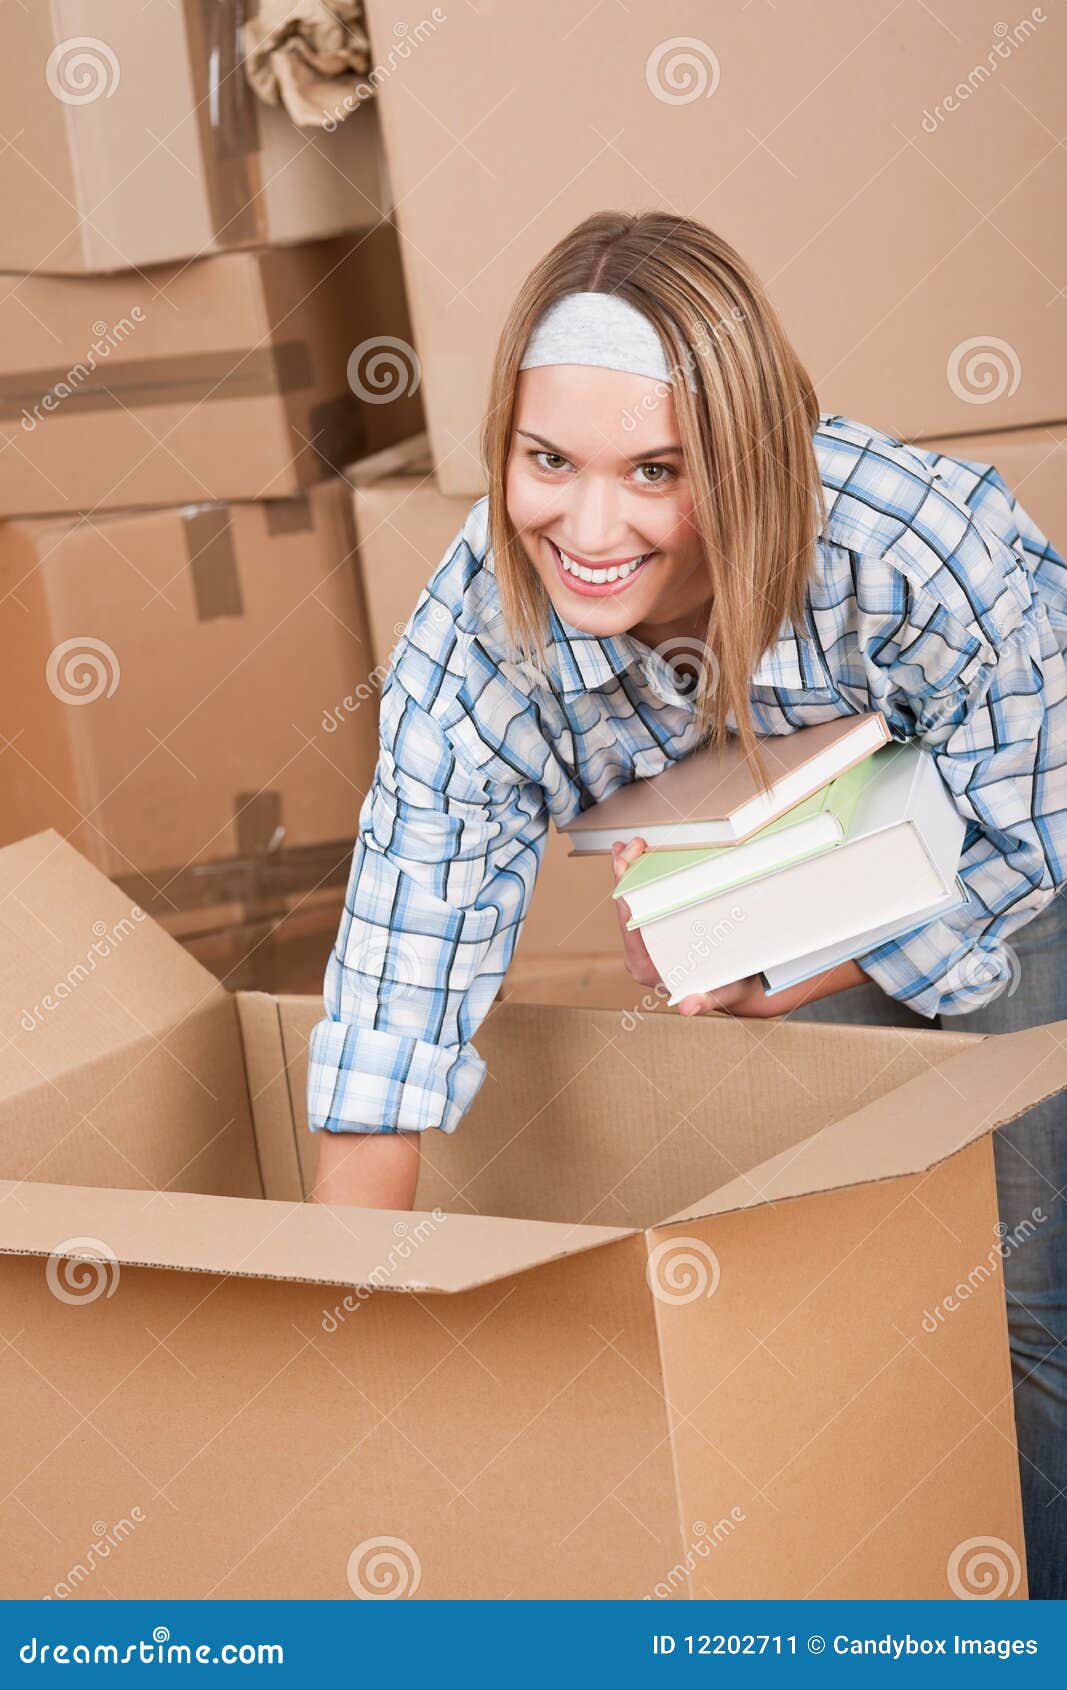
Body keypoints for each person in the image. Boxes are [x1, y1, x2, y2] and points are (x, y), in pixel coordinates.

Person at [305, 210, 1067, 1596]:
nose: (588, 530)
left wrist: (836, 946)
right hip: (770, 888)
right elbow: (392, 996)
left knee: (1022, 1293)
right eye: (547, 461)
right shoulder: (477, 634)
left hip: (1004, 878)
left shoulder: (913, 545)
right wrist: (358, 1354)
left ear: (746, 456)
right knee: (854, 1302)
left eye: (657, 470)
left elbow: (1034, 828)